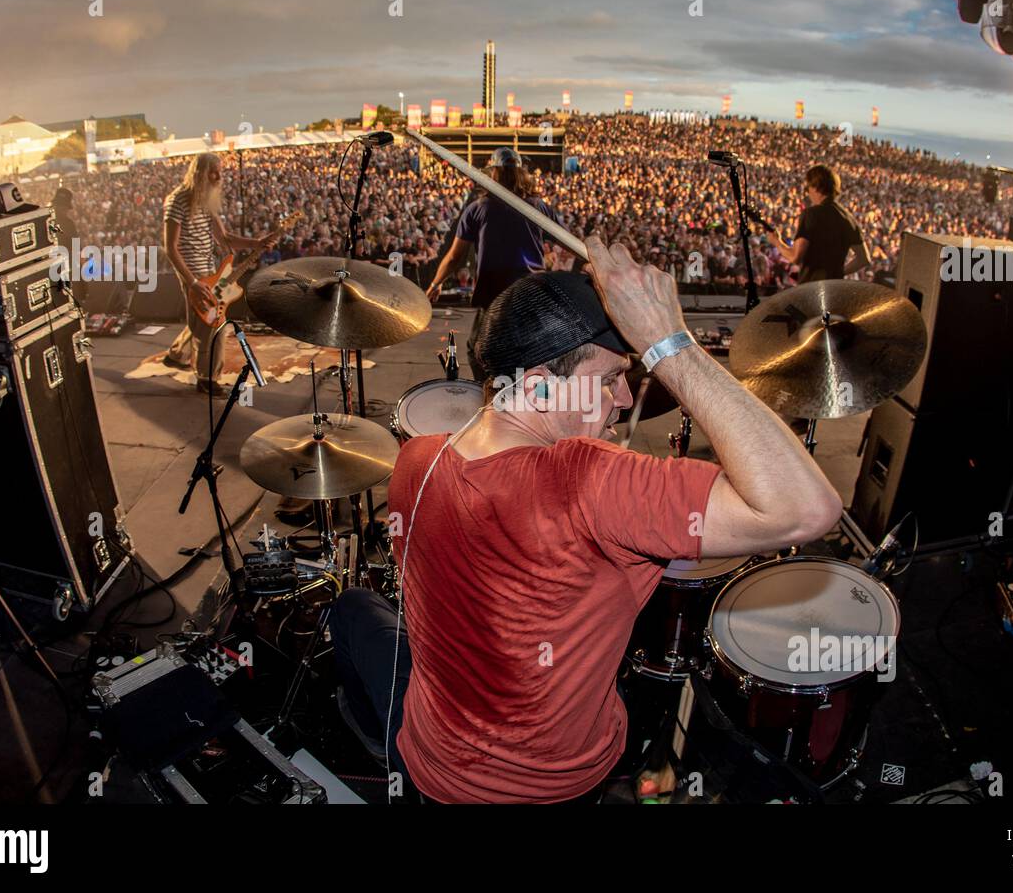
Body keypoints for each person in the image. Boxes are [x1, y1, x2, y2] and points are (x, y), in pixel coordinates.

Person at [331, 237, 843, 804]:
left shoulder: (416, 459)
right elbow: (806, 508)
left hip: (433, 760)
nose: (624, 399)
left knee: (352, 609)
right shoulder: (588, 481)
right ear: (536, 387)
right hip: (547, 789)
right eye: (606, 381)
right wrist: (668, 345)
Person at [425, 147, 559, 380]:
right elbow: (567, 242)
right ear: (521, 174)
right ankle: (523, 398)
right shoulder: (538, 206)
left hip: (495, 295)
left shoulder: (478, 208)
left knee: (478, 350)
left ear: (492, 174)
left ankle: (489, 394)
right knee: (527, 352)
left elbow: (455, 257)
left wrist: (436, 283)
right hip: (531, 291)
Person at [161, 152, 275, 395]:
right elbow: (170, 247)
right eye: (214, 171)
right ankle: (207, 379)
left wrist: (256, 243)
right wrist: (191, 281)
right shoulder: (176, 201)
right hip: (192, 272)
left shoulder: (205, 201)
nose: (219, 177)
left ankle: (177, 354)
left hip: (210, 269)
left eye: (220, 171)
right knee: (215, 323)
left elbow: (225, 238)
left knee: (201, 320)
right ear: (199, 172)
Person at [766, 164, 871, 283]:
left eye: (808, 187)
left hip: (811, 290)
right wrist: (839, 273)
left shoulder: (811, 214)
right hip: (834, 289)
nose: (807, 192)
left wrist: (777, 242)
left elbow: (795, 257)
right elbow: (864, 259)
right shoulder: (848, 218)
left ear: (816, 187)